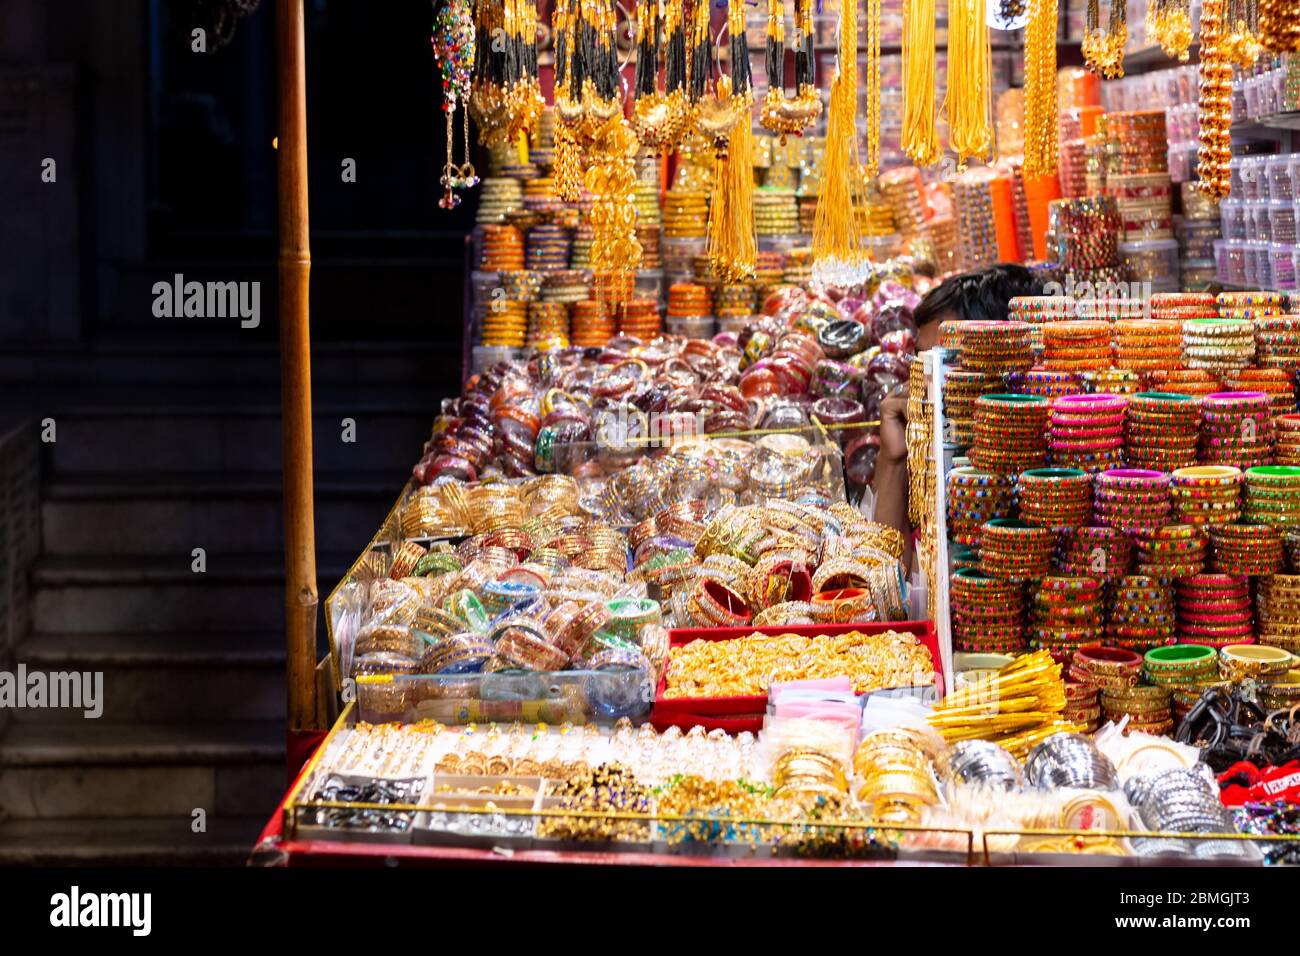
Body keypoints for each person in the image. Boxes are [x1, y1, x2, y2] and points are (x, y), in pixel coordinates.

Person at [873, 264, 1043, 569]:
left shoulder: (1036, 464)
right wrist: (893, 459)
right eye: (923, 363)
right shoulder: (932, 453)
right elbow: (887, 581)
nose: (928, 383)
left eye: (945, 363)